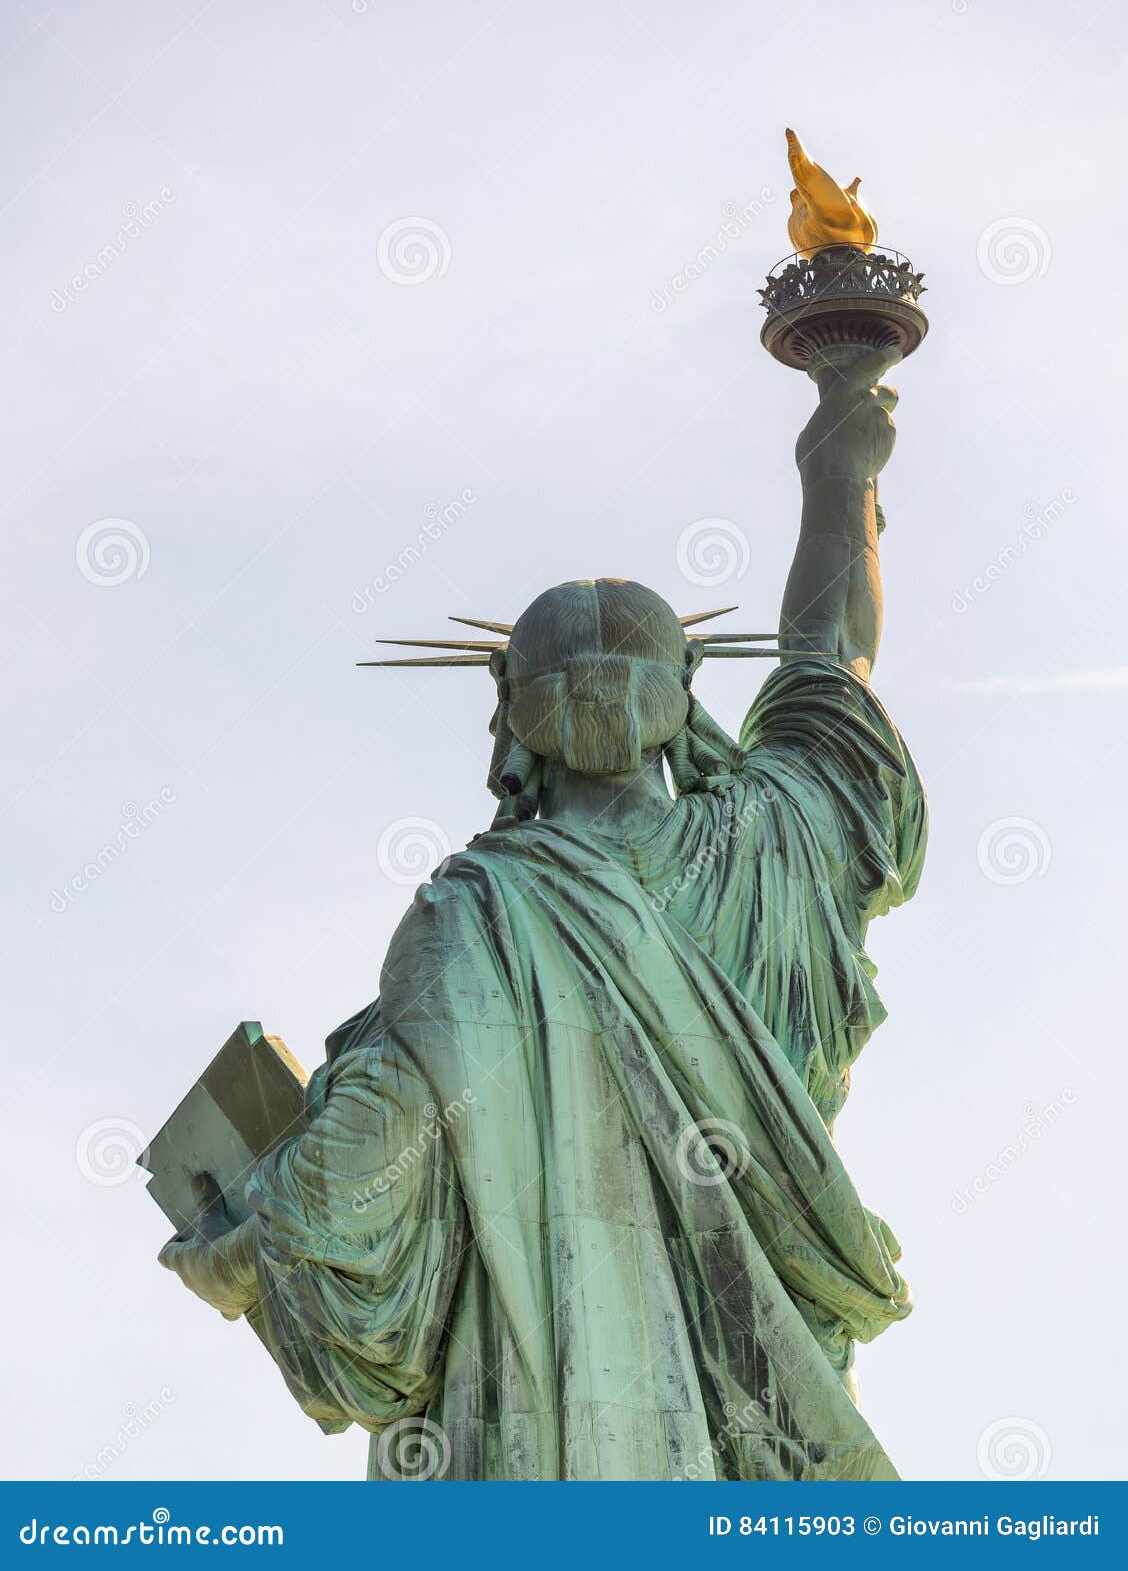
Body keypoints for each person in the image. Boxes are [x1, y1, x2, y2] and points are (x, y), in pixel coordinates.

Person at [159, 347, 927, 1481]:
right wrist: (841, 453)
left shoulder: (473, 917)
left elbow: (347, 1182)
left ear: (510, 719)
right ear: (683, 701)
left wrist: (228, 1250)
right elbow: (832, 657)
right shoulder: (784, 847)